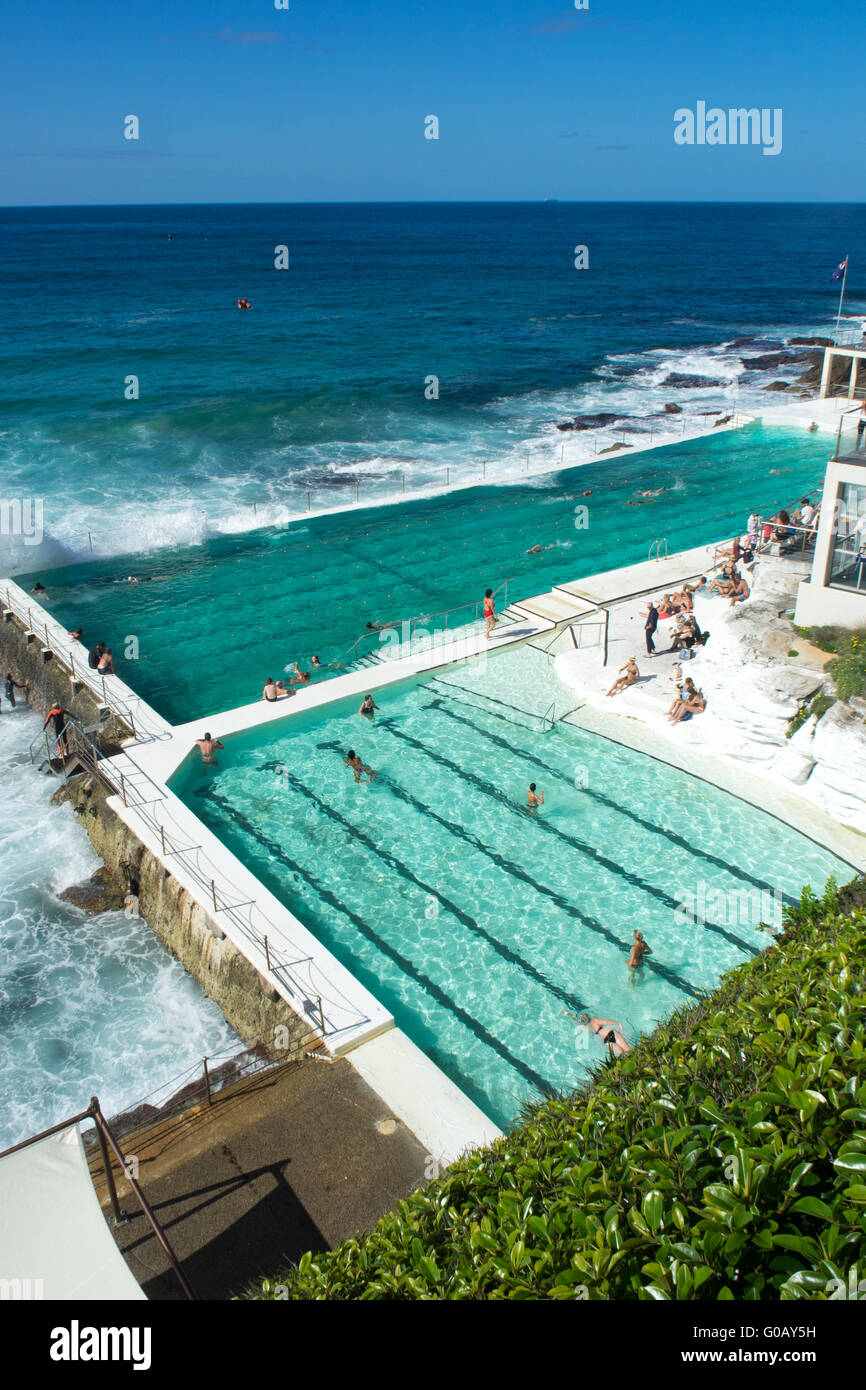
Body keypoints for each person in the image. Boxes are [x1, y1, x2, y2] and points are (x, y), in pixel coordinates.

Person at [566, 1011, 631, 1058]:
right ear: (588, 1017)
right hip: (610, 1033)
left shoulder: (586, 1027)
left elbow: (576, 1021)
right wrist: (618, 1023)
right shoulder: (594, 1020)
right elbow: (606, 1022)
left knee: (620, 1054)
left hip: (606, 1041)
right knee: (628, 1050)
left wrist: (569, 1015)